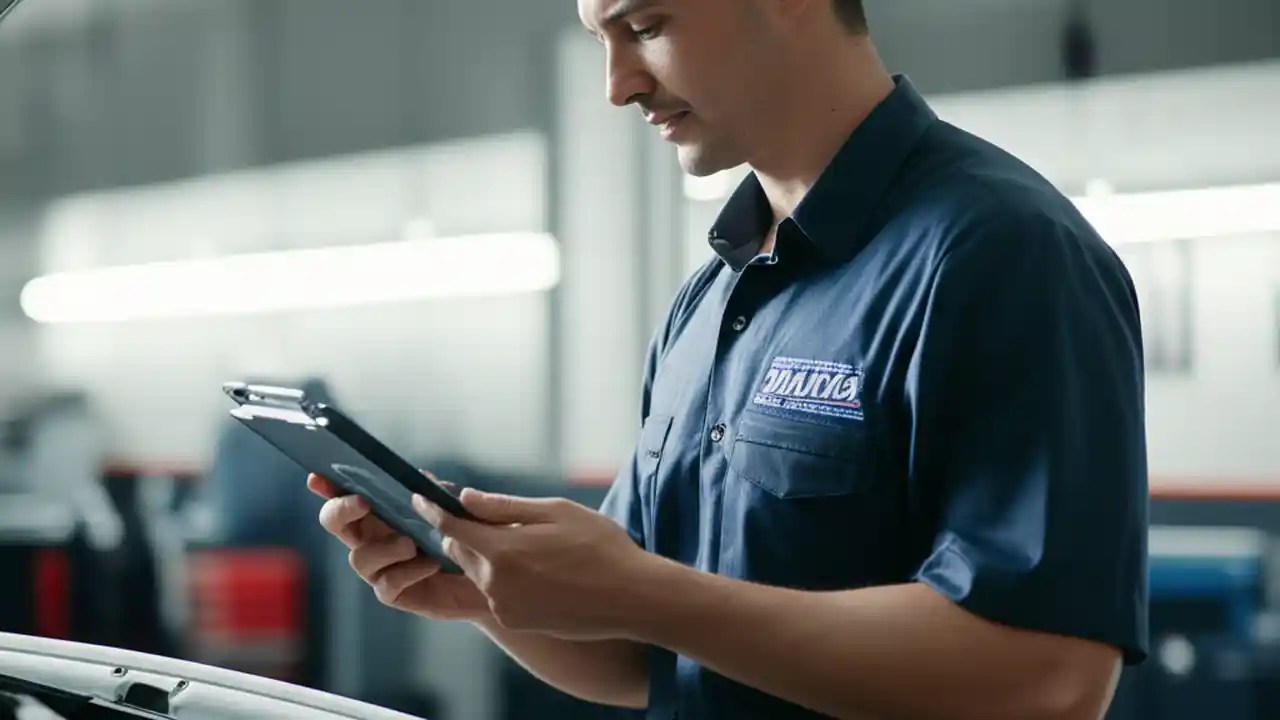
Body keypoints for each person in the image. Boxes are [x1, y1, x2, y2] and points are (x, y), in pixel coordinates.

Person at [309, 0, 1149, 717]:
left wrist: (642, 593)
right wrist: (492, 597)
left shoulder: (1001, 252)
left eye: (644, 25)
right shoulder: (710, 300)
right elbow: (648, 659)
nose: (617, 85)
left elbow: (1049, 681)